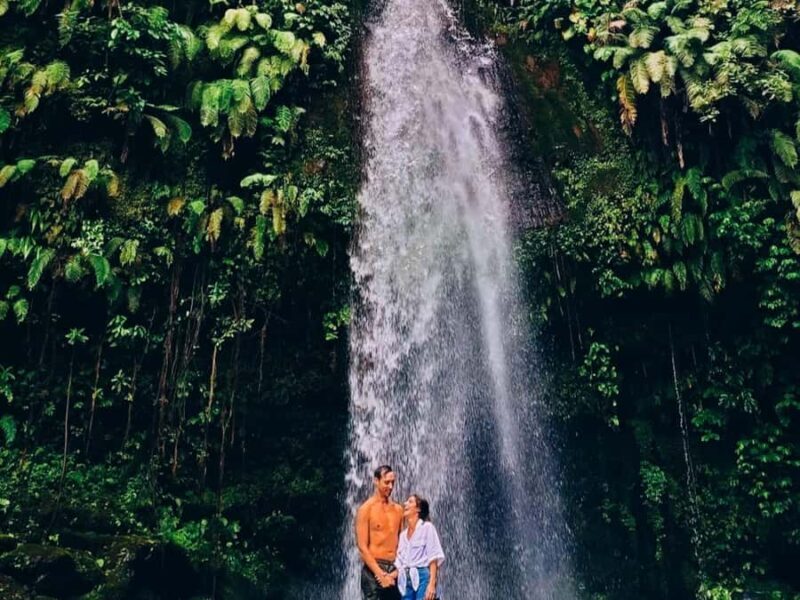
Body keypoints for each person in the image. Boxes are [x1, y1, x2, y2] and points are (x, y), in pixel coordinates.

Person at [356, 465, 404, 600]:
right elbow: (362, 547)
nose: (391, 486)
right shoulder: (366, 509)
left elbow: (404, 544)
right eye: (386, 482)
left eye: (393, 482)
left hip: (394, 569)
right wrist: (380, 574)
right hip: (373, 569)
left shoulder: (399, 510)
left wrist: (397, 571)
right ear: (376, 481)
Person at [394, 494, 445, 600]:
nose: (405, 504)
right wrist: (389, 576)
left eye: (410, 501)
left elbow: (433, 558)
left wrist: (432, 584)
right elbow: (400, 562)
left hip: (422, 577)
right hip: (404, 579)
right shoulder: (403, 535)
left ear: (418, 509)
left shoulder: (427, 527)